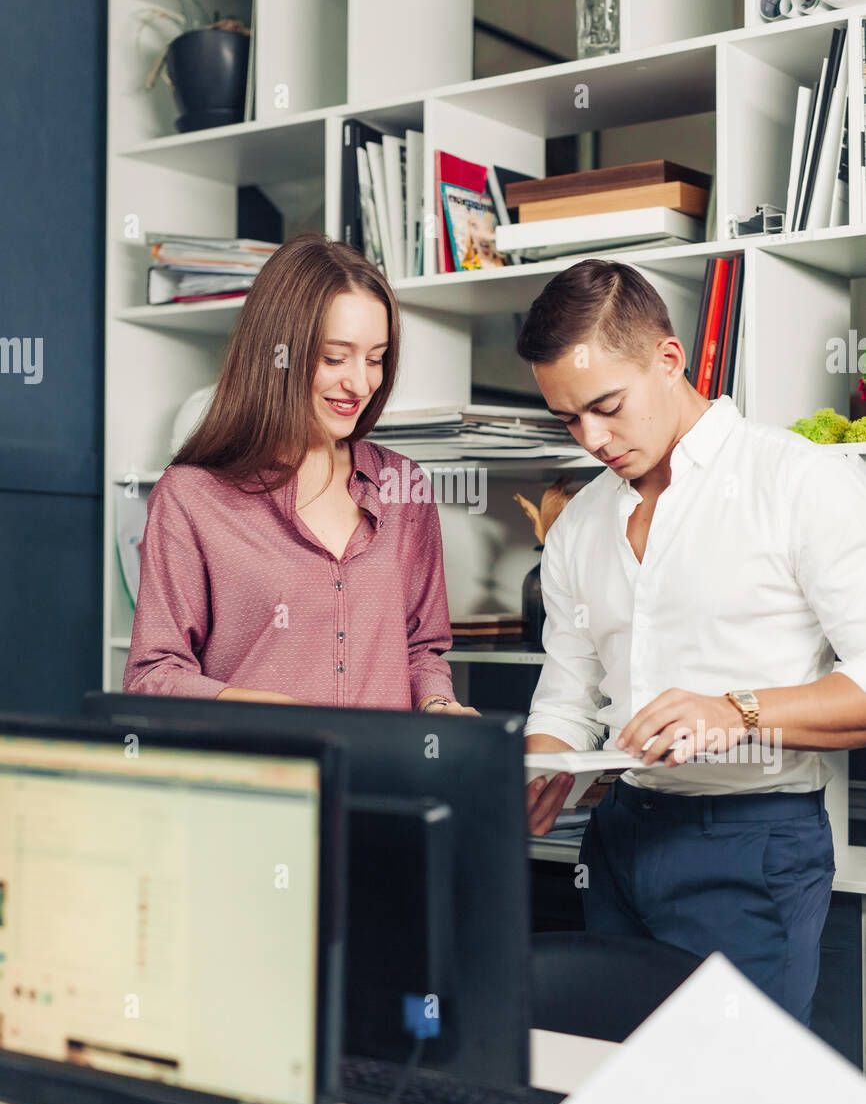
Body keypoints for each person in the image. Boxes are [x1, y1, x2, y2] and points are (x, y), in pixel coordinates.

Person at [519, 257, 866, 1024]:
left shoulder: (801, 483)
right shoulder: (579, 524)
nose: (592, 439)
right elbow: (570, 693)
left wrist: (733, 711)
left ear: (669, 359)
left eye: (607, 406)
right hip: (616, 842)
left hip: (753, 843)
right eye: (569, 419)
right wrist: (541, 766)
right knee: (621, 1085)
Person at [123, 233, 477, 718]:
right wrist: (269, 711)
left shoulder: (404, 485)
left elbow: (421, 649)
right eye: (335, 358)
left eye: (375, 358)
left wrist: (438, 703)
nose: (361, 383)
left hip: (383, 782)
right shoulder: (190, 496)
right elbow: (152, 675)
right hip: (261, 781)